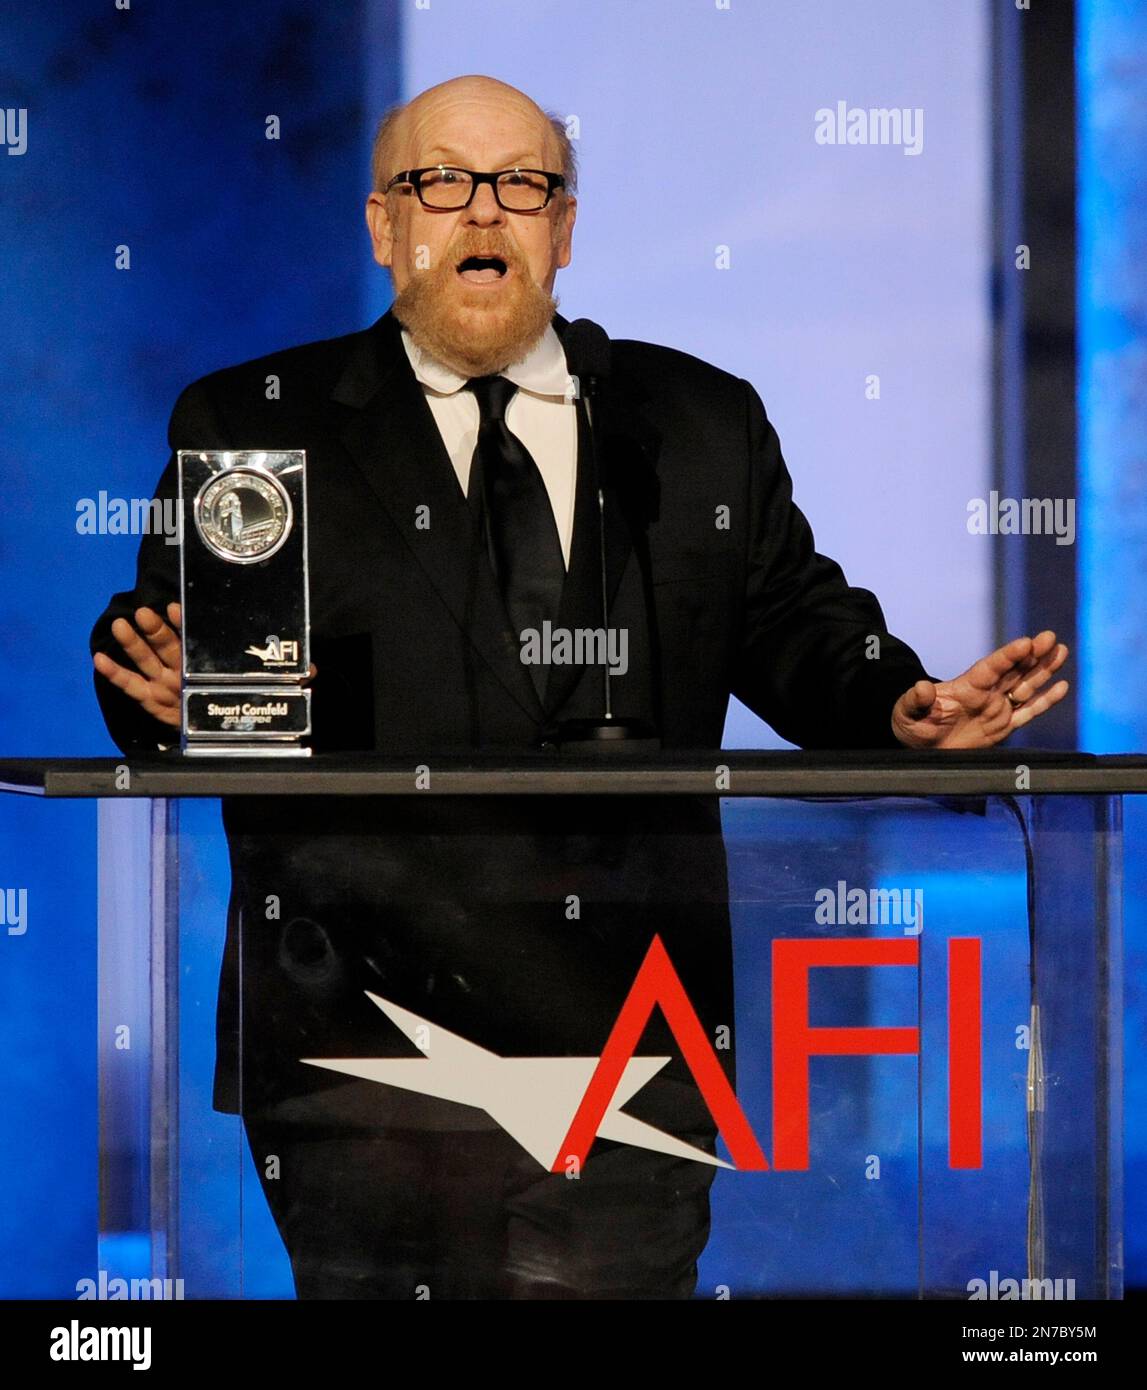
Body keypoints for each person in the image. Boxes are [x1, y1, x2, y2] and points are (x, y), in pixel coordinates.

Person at [90, 75, 1069, 1299]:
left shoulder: (694, 420)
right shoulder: (256, 420)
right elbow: (175, 657)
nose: (483, 213)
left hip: (629, 1038)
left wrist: (903, 709)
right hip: (362, 1045)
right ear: (384, 227)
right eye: (439, 182)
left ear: (564, 229)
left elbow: (794, 628)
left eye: (522, 185)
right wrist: (169, 698)